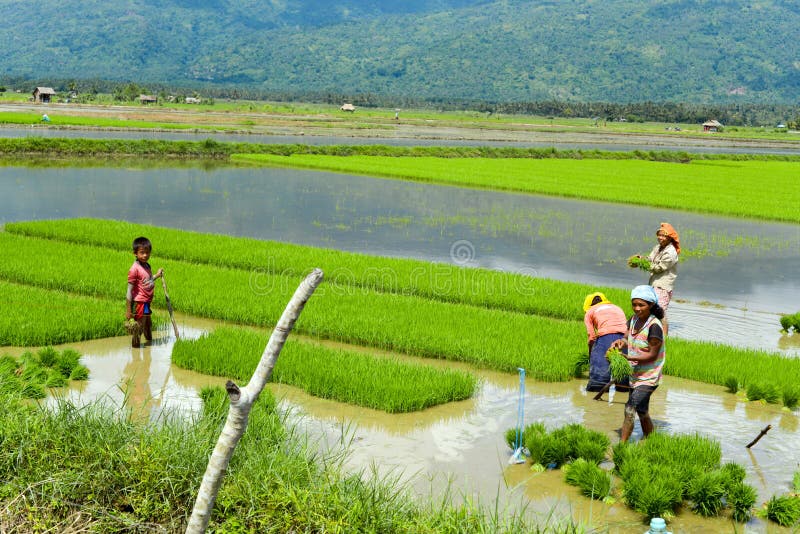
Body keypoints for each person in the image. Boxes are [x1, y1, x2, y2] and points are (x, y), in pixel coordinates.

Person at [610, 285, 666, 442]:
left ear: (651, 305)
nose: (637, 308)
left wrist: (628, 358)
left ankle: (622, 445)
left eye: (641, 305)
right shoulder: (634, 320)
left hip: (649, 376)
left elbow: (652, 355)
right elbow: (626, 336)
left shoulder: (654, 326)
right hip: (635, 374)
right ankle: (651, 440)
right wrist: (620, 342)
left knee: (629, 408)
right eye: (634, 304)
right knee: (642, 411)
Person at [582, 292, 628, 391]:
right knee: (623, 380)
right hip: (624, 340)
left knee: (598, 382)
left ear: (588, 305)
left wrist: (591, 354)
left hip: (605, 337)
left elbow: (591, 337)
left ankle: (598, 389)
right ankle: (622, 388)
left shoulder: (590, 312)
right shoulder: (617, 307)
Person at [126, 236, 163, 348]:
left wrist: (157, 274)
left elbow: (148, 280)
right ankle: (135, 349)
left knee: (148, 323)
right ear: (135, 253)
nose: (145, 255)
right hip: (139, 302)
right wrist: (128, 310)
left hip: (146, 302)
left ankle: (149, 346)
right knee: (139, 327)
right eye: (142, 253)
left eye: (147, 252)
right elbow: (129, 291)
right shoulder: (134, 269)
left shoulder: (146, 265)